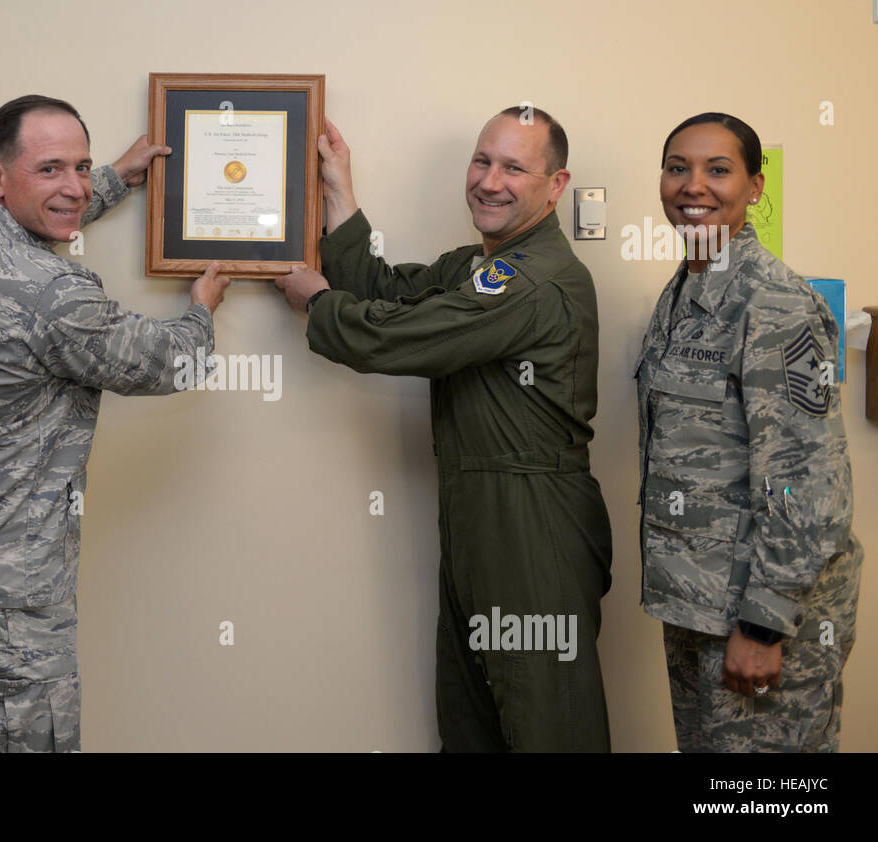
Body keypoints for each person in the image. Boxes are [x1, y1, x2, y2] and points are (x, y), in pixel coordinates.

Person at [275, 107, 612, 751]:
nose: (489, 181)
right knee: (472, 715)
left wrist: (318, 305)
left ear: (556, 184)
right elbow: (387, 293)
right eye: (482, 160)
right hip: (477, 514)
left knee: (547, 722)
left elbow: (397, 335)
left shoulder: (532, 279)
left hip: (530, 520)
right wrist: (340, 189)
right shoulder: (477, 267)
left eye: (514, 166)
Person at [0, 95, 229, 752]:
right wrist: (201, 309)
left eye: (81, 169)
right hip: (11, 595)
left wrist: (115, 177)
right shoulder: (55, 297)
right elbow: (170, 362)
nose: (75, 187)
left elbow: (43, 216)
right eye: (52, 168)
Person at [637, 113, 862, 752]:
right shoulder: (688, 286)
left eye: (718, 170)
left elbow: (810, 481)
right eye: (678, 167)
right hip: (699, 605)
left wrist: (765, 625)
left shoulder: (774, 303)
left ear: (756, 186)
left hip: (762, 615)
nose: (693, 186)